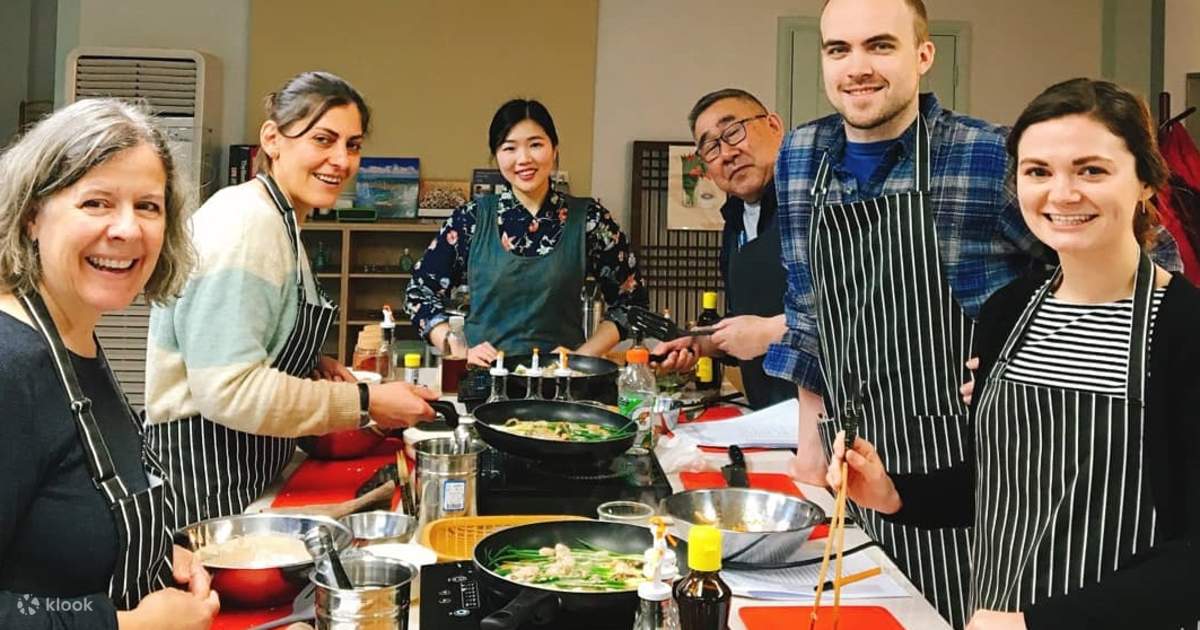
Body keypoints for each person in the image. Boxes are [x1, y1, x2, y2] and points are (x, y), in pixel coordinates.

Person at [765, 1, 1182, 626]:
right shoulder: (802, 154)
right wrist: (808, 446)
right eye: (838, 50)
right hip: (866, 465)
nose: (857, 68)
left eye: (880, 46)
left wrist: (1023, 353)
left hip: (978, 466)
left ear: (923, 55)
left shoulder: (989, 155)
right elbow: (806, 308)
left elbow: (1134, 250)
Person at [145, 71, 438, 528]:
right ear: (273, 138)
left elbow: (238, 335)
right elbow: (227, 390)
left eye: (353, 145)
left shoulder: (282, 222)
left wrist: (308, 361)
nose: (340, 160)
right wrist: (367, 401)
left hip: (251, 473)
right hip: (205, 490)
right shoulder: (247, 223)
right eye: (323, 139)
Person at [0, 99, 219, 628]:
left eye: (148, 206)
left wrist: (153, 555)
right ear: (33, 215)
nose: (127, 230)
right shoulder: (10, 368)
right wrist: (125, 625)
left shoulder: (77, 339)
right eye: (96, 202)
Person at [405, 99, 647, 364]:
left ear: (554, 150)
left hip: (562, 383)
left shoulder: (590, 219)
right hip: (485, 382)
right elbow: (419, 292)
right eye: (510, 148)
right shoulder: (470, 219)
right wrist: (458, 348)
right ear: (496, 156)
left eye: (535, 144)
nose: (524, 159)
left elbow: (631, 301)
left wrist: (581, 358)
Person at [654, 88, 797, 409]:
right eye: (711, 146)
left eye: (734, 132)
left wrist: (771, 332)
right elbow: (745, 324)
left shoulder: (815, 201)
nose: (727, 153)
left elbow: (861, 312)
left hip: (836, 423)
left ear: (774, 126)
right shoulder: (734, 222)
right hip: (770, 417)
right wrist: (703, 344)